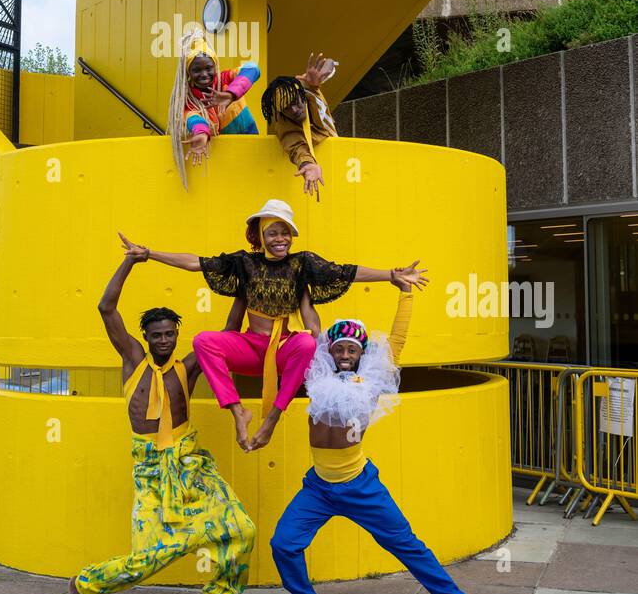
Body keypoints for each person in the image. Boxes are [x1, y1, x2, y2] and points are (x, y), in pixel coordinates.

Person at [118, 198, 428, 455]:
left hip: (282, 347)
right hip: (251, 347)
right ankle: (238, 411)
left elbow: (344, 272)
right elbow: (195, 262)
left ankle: (272, 420)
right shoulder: (244, 263)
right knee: (202, 341)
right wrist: (149, 254)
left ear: (292, 236)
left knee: (307, 344)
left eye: (285, 233)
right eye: (272, 232)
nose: (279, 238)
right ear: (261, 236)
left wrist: (391, 275)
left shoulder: (302, 264)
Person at [270, 281, 483, 594]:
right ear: (330, 352)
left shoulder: (371, 381)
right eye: (338, 349)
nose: (343, 355)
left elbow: (397, 340)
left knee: (406, 545)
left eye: (351, 351)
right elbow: (312, 327)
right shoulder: (316, 375)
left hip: (359, 485)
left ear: (361, 355)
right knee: (283, 543)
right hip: (319, 487)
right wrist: (301, 291)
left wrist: (406, 294)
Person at [68, 251, 255, 594]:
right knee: (147, 559)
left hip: (190, 463)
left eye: (170, 334)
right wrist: (131, 262)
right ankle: (82, 585)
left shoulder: (187, 367)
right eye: (158, 335)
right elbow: (107, 308)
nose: (165, 340)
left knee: (240, 528)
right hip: (151, 470)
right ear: (146, 338)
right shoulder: (134, 361)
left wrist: (245, 290)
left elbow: (229, 334)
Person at [168, 27, 260, 188]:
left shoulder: (226, 79)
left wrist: (232, 93)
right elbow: (194, 119)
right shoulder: (188, 101)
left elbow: (253, 68)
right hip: (222, 161)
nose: (204, 74)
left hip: (250, 151)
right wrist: (202, 134)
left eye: (208, 68)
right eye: (196, 70)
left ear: (215, 66)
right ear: (188, 73)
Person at [261, 52, 339, 200]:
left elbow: (330, 62)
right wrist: (307, 164)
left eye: (295, 103)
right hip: (324, 163)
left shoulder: (303, 84)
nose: (294, 110)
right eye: (287, 108)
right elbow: (295, 146)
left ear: (301, 94)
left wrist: (320, 75)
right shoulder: (283, 123)